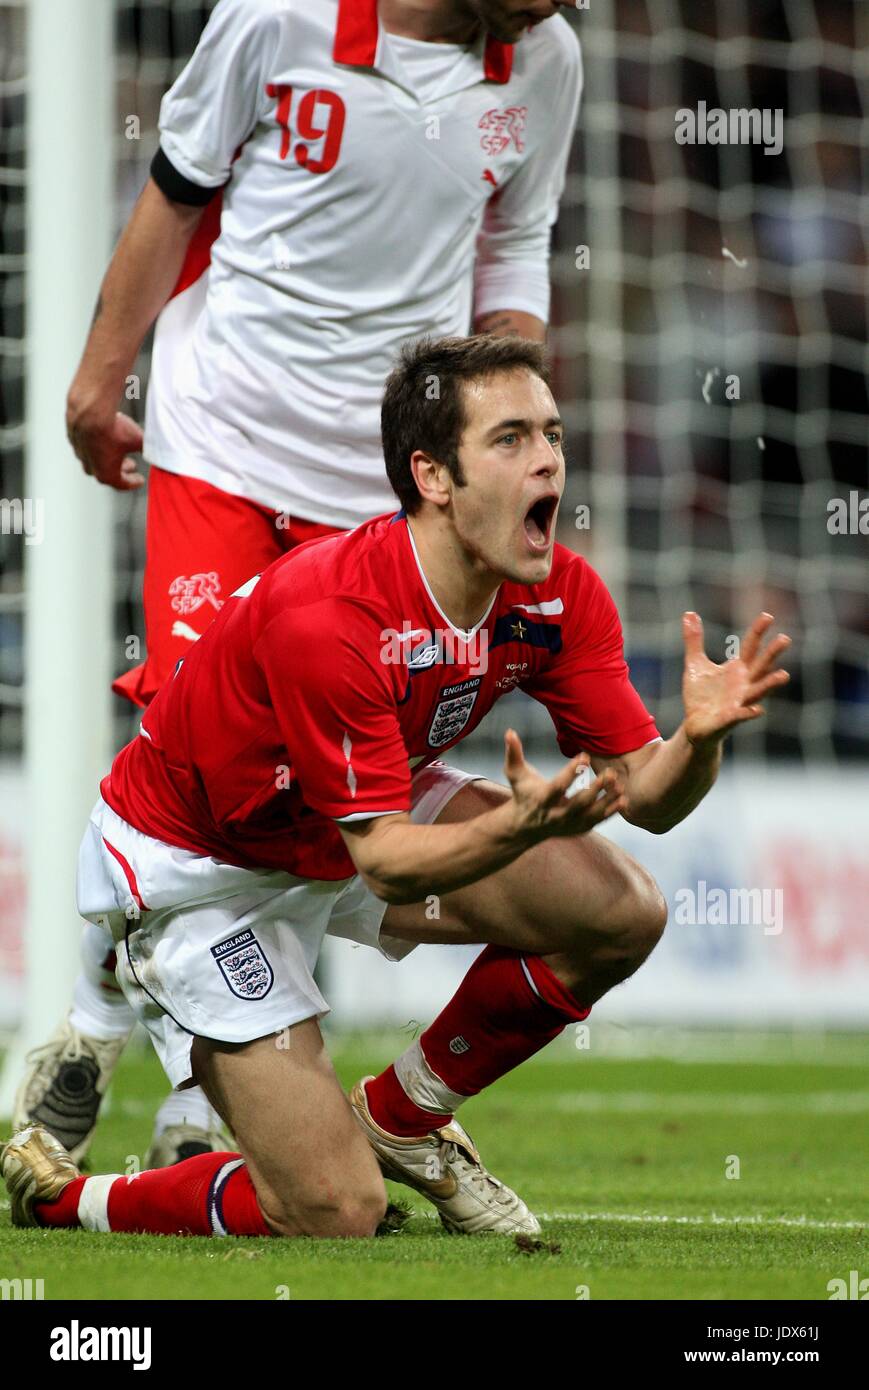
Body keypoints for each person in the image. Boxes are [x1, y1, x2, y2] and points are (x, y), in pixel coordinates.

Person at [3, 335, 791, 1238]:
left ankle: (401, 1116)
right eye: (509, 439)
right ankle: (66, 1196)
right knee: (333, 1211)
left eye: (552, 434)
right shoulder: (333, 616)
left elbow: (648, 799)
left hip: (353, 815)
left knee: (622, 912)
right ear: (433, 476)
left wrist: (697, 740)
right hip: (204, 866)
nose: (546, 459)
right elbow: (387, 866)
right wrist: (519, 828)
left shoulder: (555, 597)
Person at [17, 0, 584, 1164]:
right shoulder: (278, 17)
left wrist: (507, 438)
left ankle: (126, 1026)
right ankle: (152, 1058)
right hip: (224, 440)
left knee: (312, 792)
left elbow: (517, 241)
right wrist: (96, 378)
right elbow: (175, 193)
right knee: (206, 759)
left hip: (391, 480)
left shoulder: (545, 59)